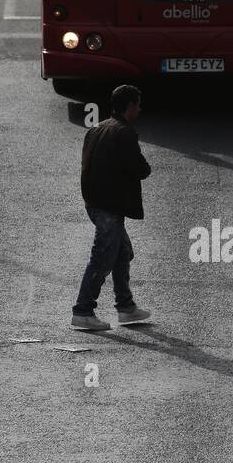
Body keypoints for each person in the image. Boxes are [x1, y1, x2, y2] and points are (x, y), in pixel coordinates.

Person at [72, 85, 152, 331]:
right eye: (138, 104)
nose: (139, 108)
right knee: (103, 256)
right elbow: (140, 169)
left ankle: (126, 307)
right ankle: (83, 311)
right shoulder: (125, 132)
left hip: (95, 202)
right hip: (109, 204)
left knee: (121, 252)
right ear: (129, 107)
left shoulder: (97, 128)